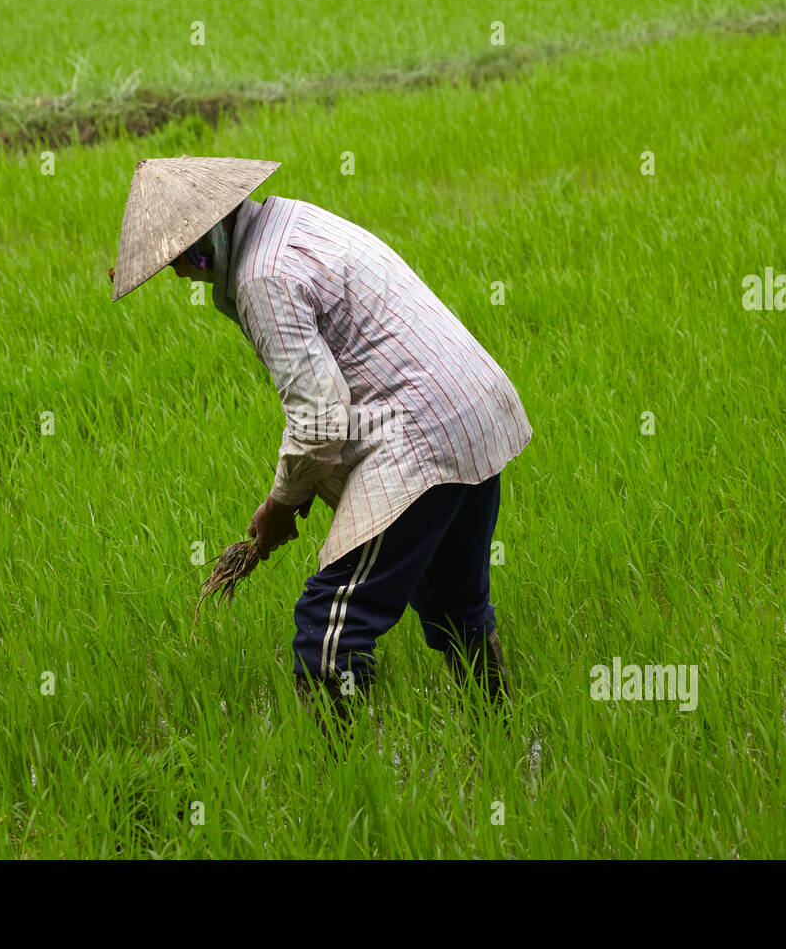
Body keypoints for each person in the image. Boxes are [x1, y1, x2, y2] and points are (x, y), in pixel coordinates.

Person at [111, 156, 531, 731]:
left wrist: (279, 505)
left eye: (182, 258)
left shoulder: (261, 278)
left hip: (422, 435)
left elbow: (319, 417)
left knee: (330, 628)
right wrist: (296, 494)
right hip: (475, 407)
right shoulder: (293, 221)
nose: (182, 275)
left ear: (211, 233)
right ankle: (510, 744)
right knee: (455, 605)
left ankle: (344, 792)